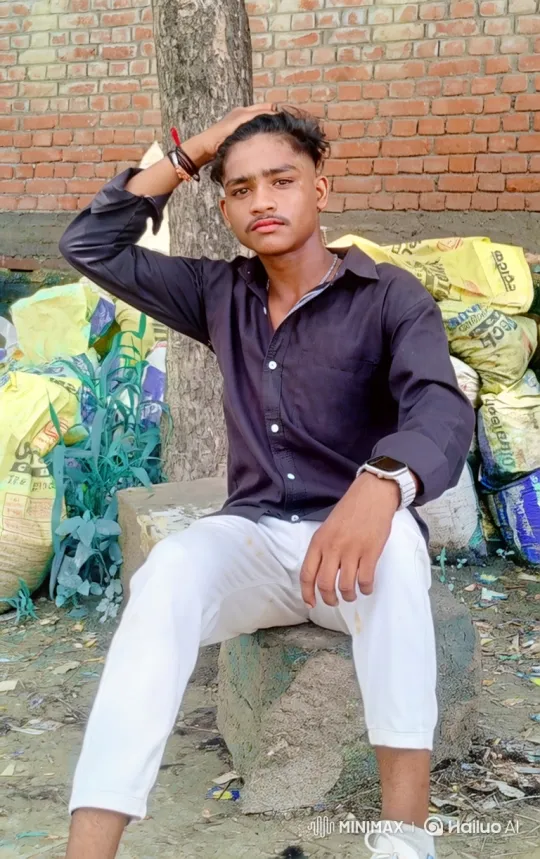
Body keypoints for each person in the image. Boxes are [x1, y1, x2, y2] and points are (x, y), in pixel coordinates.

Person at [59, 105, 474, 859]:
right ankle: (90, 850)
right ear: (224, 209)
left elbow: (440, 405)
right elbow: (89, 243)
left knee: (399, 559)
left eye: (281, 180)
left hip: (354, 544)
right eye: (241, 188)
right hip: (252, 534)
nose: (263, 201)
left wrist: (382, 485)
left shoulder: (389, 295)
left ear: (321, 186)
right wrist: (199, 149)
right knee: (170, 574)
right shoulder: (218, 294)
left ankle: (405, 840)